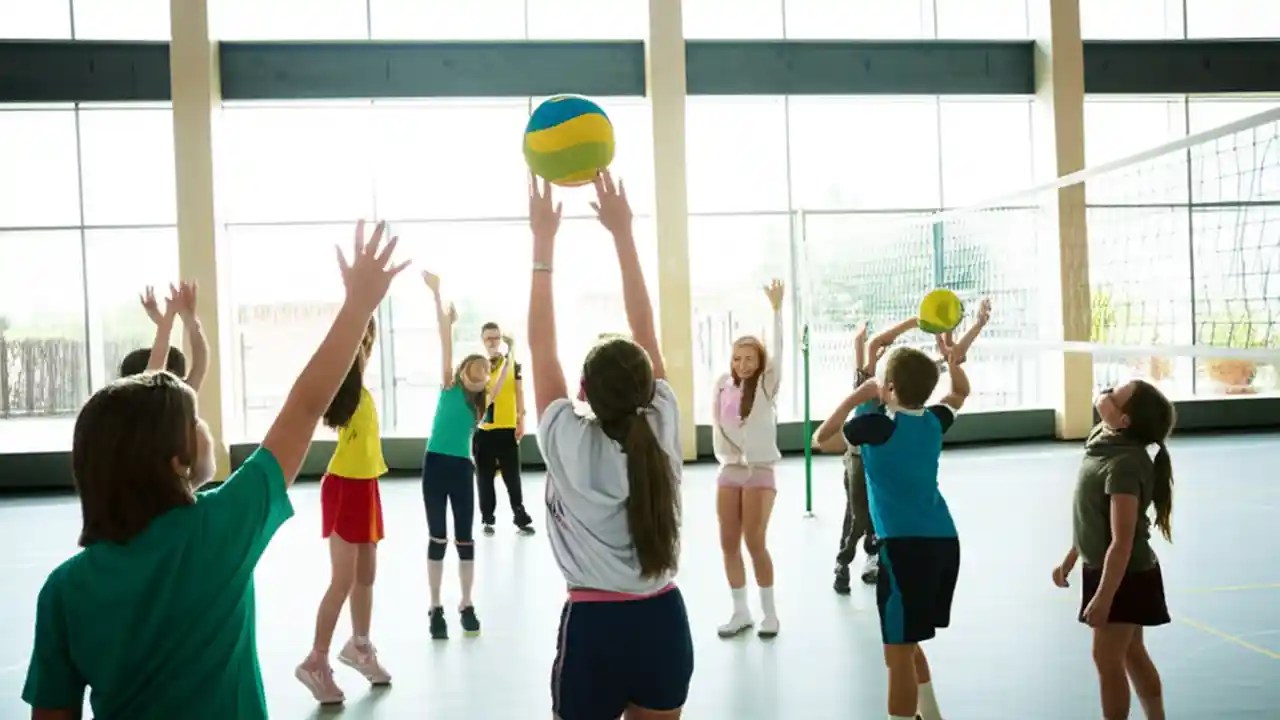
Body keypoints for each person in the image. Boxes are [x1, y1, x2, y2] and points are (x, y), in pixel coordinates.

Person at [21, 220, 408, 719]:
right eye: (196, 420)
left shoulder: (64, 590)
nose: (206, 425)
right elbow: (307, 403)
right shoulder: (221, 526)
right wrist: (358, 307)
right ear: (176, 461)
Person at [529, 171, 693, 720]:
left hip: (595, 629)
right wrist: (623, 234)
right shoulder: (663, 424)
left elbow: (539, 344)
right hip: (664, 623)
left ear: (584, 394)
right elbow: (645, 325)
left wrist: (543, 242)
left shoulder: (567, 443)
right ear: (649, 387)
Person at [812, 340, 972, 720]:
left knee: (897, 654)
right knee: (905, 641)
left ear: (890, 388)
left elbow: (822, 439)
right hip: (943, 541)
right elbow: (961, 391)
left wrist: (855, 397)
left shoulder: (876, 426)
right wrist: (953, 362)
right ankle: (930, 713)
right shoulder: (935, 418)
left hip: (904, 550)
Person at [1052, 380, 1174, 720]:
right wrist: (1072, 557)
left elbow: (1121, 541)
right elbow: (1092, 517)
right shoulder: (1102, 440)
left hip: (1125, 575)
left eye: (1115, 396)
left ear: (1125, 422)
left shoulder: (1125, 465)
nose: (1106, 393)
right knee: (1132, 651)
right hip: (1104, 567)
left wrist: (1105, 597)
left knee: (1107, 659)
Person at [295, 316, 392, 705]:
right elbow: (342, 354)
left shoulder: (361, 385)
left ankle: (360, 646)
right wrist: (352, 323)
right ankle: (316, 660)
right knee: (343, 580)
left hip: (367, 484)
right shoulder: (342, 391)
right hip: (344, 486)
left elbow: (362, 346)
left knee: (367, 574)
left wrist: (366, 313)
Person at [421, 270, 511, 640]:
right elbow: (444, 338)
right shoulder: (447, 385)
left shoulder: (481, 402)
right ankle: (435, 605)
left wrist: (509, 353)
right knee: (437, 536)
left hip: (460, 469)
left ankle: (467, 602)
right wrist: (438, 294)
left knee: (465, 537)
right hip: (436, 465)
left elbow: (502, 376)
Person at [711, 279, 786, 639]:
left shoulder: (767, 385)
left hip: (759, 471)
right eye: (738, 358)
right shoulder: (723, 385)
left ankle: (769, 613)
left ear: (759, 362)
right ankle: (740, 611)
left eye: (749, 359)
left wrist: (776, 310)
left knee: (755, 541)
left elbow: (779, 352)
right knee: (728, 542)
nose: (743, 364)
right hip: (729, 471)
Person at [474, 321, 535, 536]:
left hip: (507, 428)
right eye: (488, 338)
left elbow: (519, 391)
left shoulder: (513, 364)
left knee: (512, 475)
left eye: (496, 337)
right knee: (484, 476)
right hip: (484, 430)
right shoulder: (478, 366)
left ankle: (519, 514)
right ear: (482, 340)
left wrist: (521, 419)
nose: (493, 342)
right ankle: (487, 516)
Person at [120, 282, 209, 391]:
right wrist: (185, 318)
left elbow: (199, 363)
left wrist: (172, 320)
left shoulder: (179, 398)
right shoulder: (178, 400)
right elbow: (200, 363)